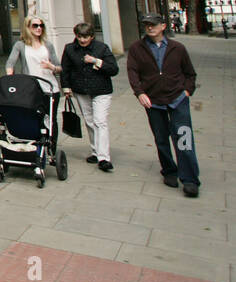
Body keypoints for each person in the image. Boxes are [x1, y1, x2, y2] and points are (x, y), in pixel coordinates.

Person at [127, 13, 200, 196]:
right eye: (146, 25)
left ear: (163, 26)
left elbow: (190, 74)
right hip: (153, 101)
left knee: (184, 140)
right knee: (161, 139)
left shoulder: (177, 48)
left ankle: (190, 179)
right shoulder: (137, 48)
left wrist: (187, 91)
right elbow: (133, 72)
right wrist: (140, 93)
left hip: (177, 100)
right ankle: (169, 171)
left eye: (153, 24)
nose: (149, 28)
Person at [60, 22, 118, 171]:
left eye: (85, 36)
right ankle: (95, 151)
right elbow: (65, 69)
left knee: (100, 121)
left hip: (101, 90)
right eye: (79, 36)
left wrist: (96, 61)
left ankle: (104, 158)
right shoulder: (69, 49)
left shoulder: (101, 48)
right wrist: (66, 88)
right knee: (90, 121)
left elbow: (113, 69)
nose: (83, 40)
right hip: (81, 90)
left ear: (92, 36)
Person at [5, 14, 60, 92]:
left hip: (50, 87)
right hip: (30, 88)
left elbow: (59, 68)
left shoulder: (48, 45)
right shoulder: (20, 45)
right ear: (28, 27)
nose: (39, 28)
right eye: (35, 25)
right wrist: (9, 77)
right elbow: (10, 62)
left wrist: (51, 67)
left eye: (41, 25)